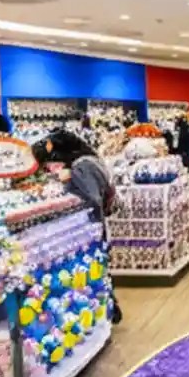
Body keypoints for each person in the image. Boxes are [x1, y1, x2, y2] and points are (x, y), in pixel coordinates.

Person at [39, 129, 122, 324]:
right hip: (97, 224)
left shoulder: (80, 166)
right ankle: (107, 305)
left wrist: (68, 188)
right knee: (100, 266)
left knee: (96, 268)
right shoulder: (90, 158)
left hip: (90, 225)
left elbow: (92, 198)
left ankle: (109, 307)